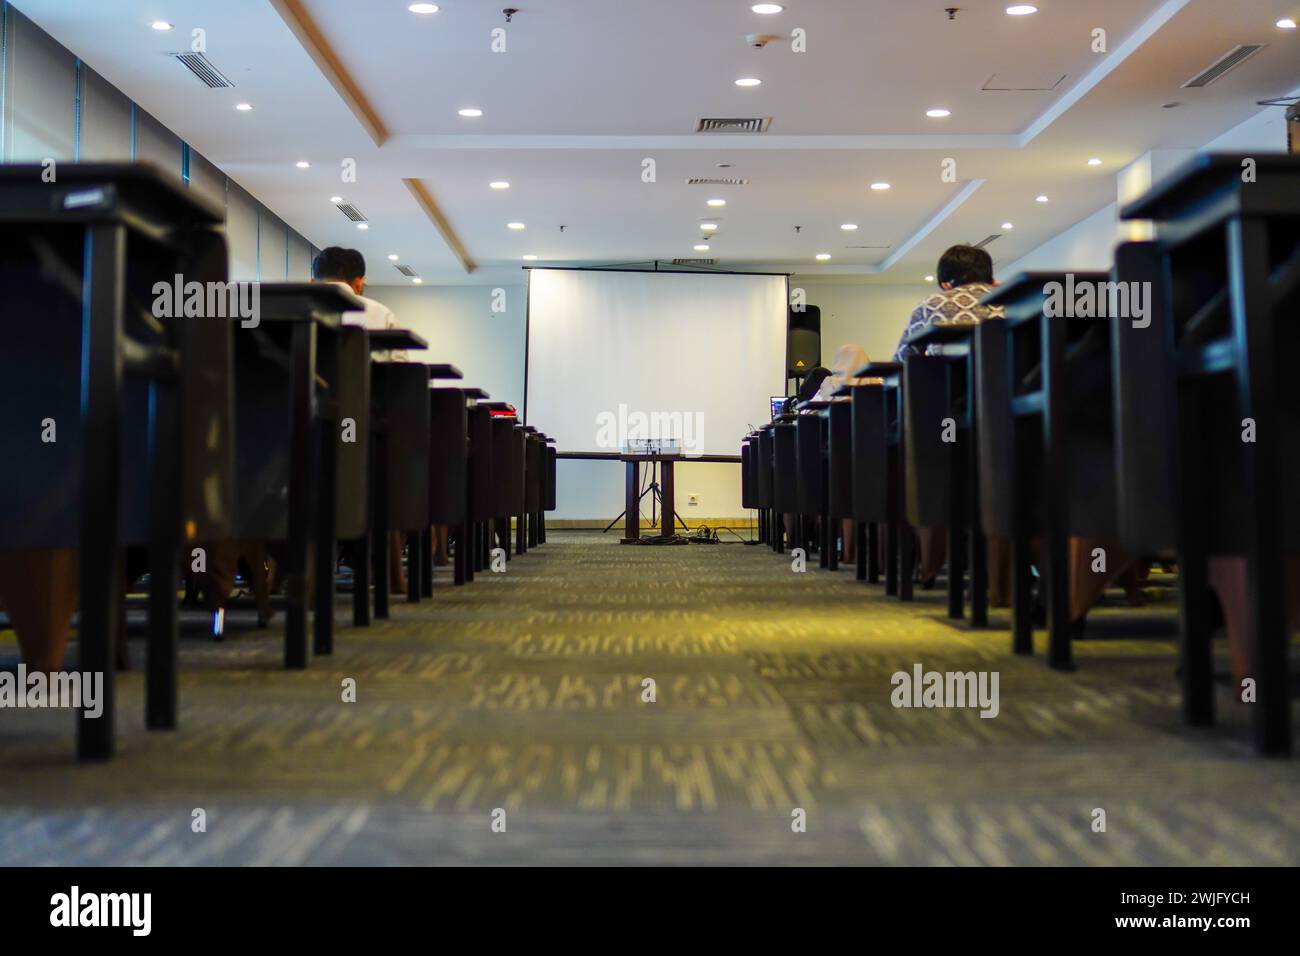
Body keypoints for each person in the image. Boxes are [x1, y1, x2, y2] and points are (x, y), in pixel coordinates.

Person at [311, 247, 408, 593]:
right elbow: (397, 382)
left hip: (290, 450)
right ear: (359, 283)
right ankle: (376, 565)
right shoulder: (380, 315)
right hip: (361, 449)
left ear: (312, 280)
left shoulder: (281, 310)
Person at [817, 345, 871, 562]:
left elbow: (808, 410)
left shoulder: (830, 384)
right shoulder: (876, 381)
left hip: (837, 458)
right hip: (873, 459)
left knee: (843, 494)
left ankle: (846, 551)